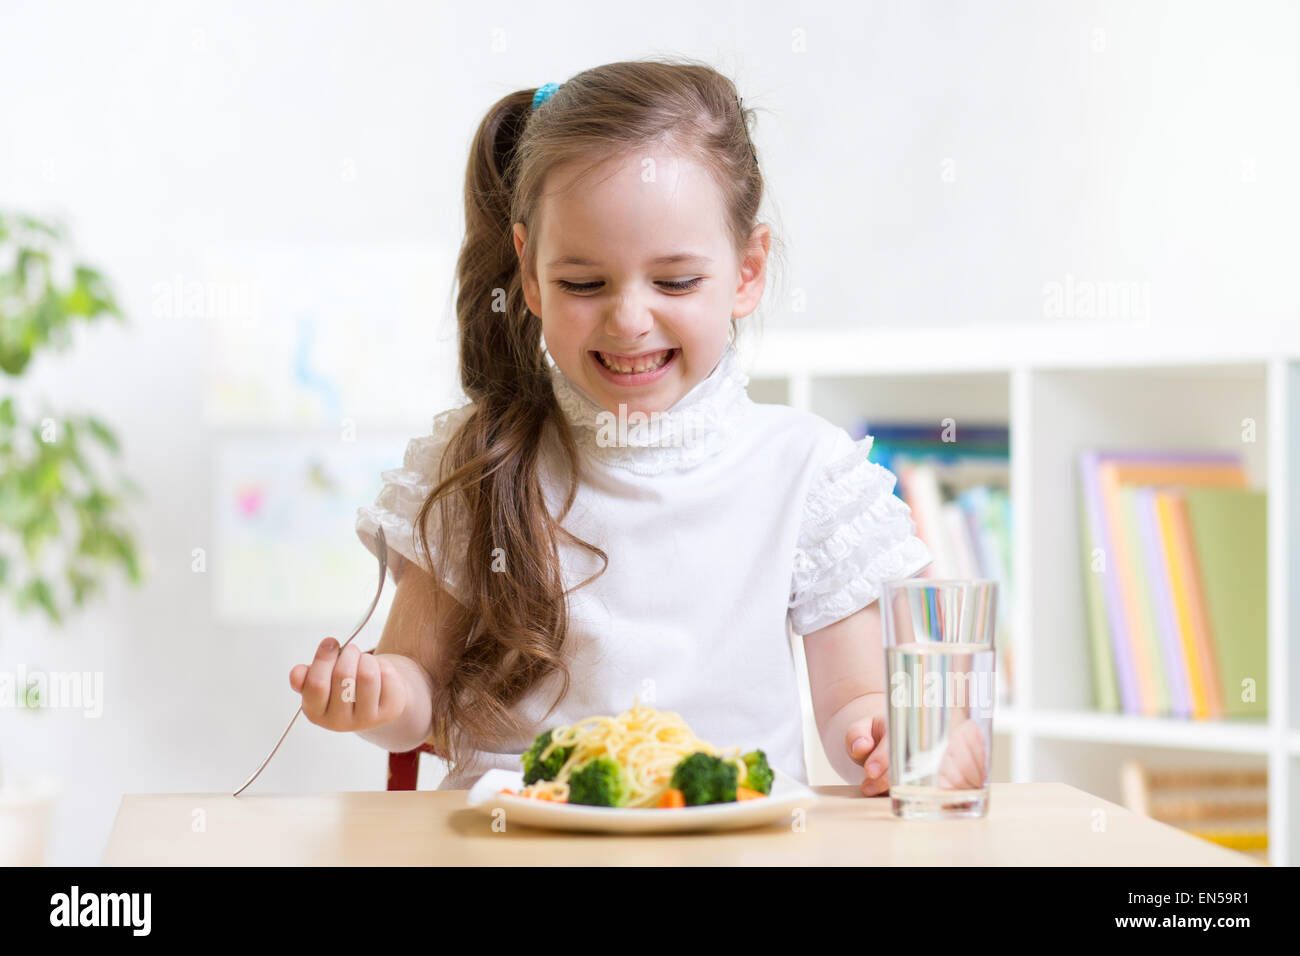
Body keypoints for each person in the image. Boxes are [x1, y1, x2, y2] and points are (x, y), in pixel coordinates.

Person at [291, 58, 939, 795]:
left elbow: (853, 702)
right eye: (583, 283)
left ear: (748, 270)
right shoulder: (481, 456)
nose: (629, 320)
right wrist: (377, 697)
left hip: (730, 844)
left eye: (676, 281)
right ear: (529, 274)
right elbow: (413, 696)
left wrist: (884, 737)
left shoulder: (806, 469)